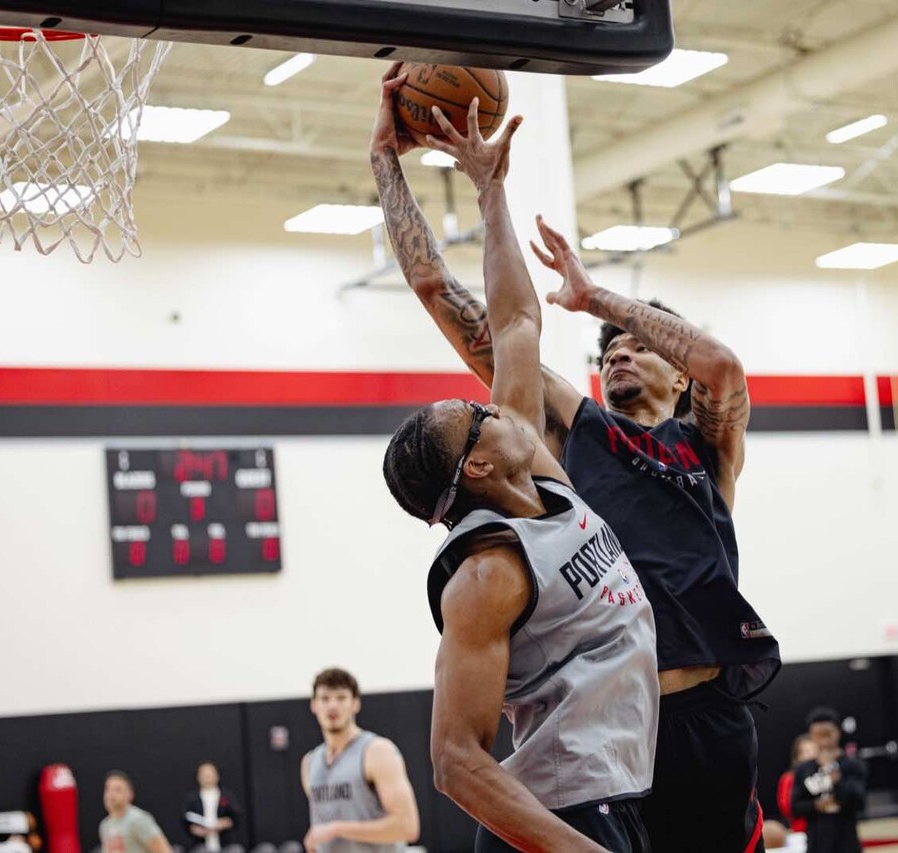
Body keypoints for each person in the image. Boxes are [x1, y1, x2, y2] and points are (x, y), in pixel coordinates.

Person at [372, 60, 780, 853]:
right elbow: (476, 315)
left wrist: (598, 299)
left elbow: (722, 366)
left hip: (705, 721)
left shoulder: (707, 445)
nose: (621, 353)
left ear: (673, 369)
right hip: (606, 739)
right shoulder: (560, 442)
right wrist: (400, 168)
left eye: (640, 346)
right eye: (610, 348)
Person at [378, 87, 658, 853]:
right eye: (474, 413)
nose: (491, 402)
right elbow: (453, 761)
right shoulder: (487, 573)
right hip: (564, 819)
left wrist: (488, 188)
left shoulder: (536, 475)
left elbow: (514, 323)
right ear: (475, 460)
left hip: (612, 793)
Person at [301, 668, 420, 853]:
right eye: (325, 698)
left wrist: (337, 829)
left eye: (341, 698)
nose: (332, 705)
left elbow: (407, 827)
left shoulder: (377, 751)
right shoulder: (309, 762)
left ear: (355, 704)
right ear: (314, 705)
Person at [791, 708, 867, 853]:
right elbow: (795, 807)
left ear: (838, 732)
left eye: (828, 734)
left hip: (847, 842)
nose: (824, 740)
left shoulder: (852, 764)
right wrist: (816, 805)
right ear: (811, 736)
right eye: (818, 735)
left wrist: (837, 781)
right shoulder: (804, 769)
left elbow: (860, 801)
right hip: (817, 844)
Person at [100, 772, 171, 853]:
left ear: (130, 795)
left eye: (117, 790)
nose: (111, 794)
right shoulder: (105, 825)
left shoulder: (138, 819)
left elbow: (164, 851)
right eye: (108, 789)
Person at [182, 761, 241, 852]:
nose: (208, 778)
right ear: (198, 777)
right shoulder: (192, 799)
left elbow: (236, 817)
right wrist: (196, 830)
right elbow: (186, 820)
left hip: (225, 844)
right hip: (200, 845)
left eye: (210, 775)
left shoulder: (226, 796)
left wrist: (223, 824)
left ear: (217, 776)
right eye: (205, 775)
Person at [778, 735, 818, 833]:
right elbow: (786, 807)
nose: (810, 755)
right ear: (797, 756)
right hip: (800, 830)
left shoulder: (826, 774)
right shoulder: (789, 778)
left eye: (813, 750)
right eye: (805, 752)